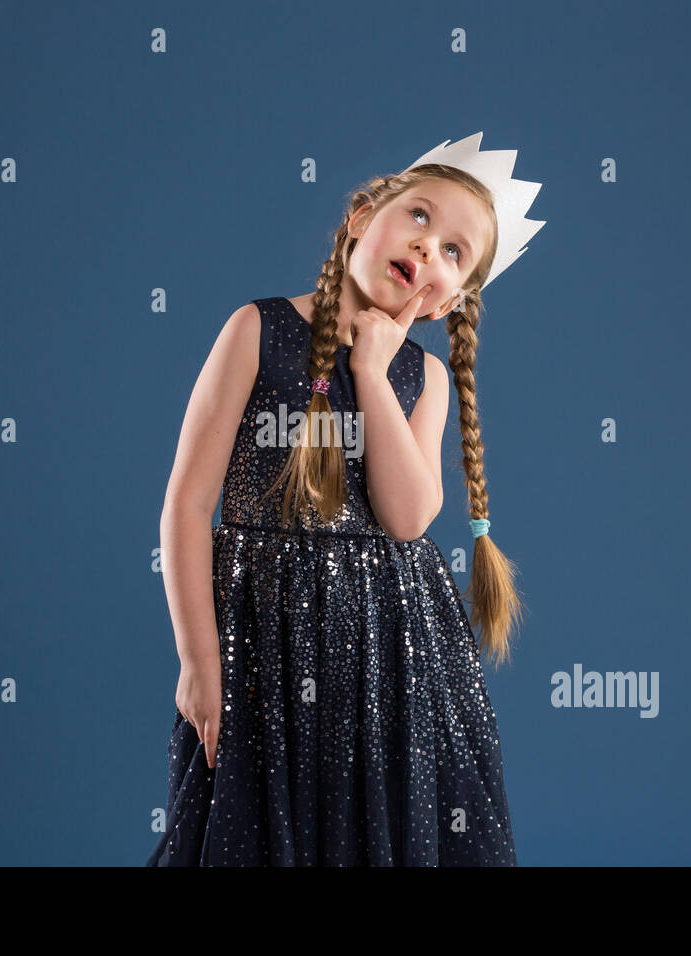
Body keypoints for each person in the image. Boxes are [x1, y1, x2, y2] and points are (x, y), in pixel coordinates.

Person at [146, 132, 547, 865]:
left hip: (389, 660)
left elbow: (406, 518)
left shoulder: (419, 380)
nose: (430, 248)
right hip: (259, 646)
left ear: (449, 301)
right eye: (420, 218)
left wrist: (371, 364)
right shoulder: (257, 331)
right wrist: (199, 661)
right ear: (363, 216)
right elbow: (186, 503)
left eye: (455, 252)